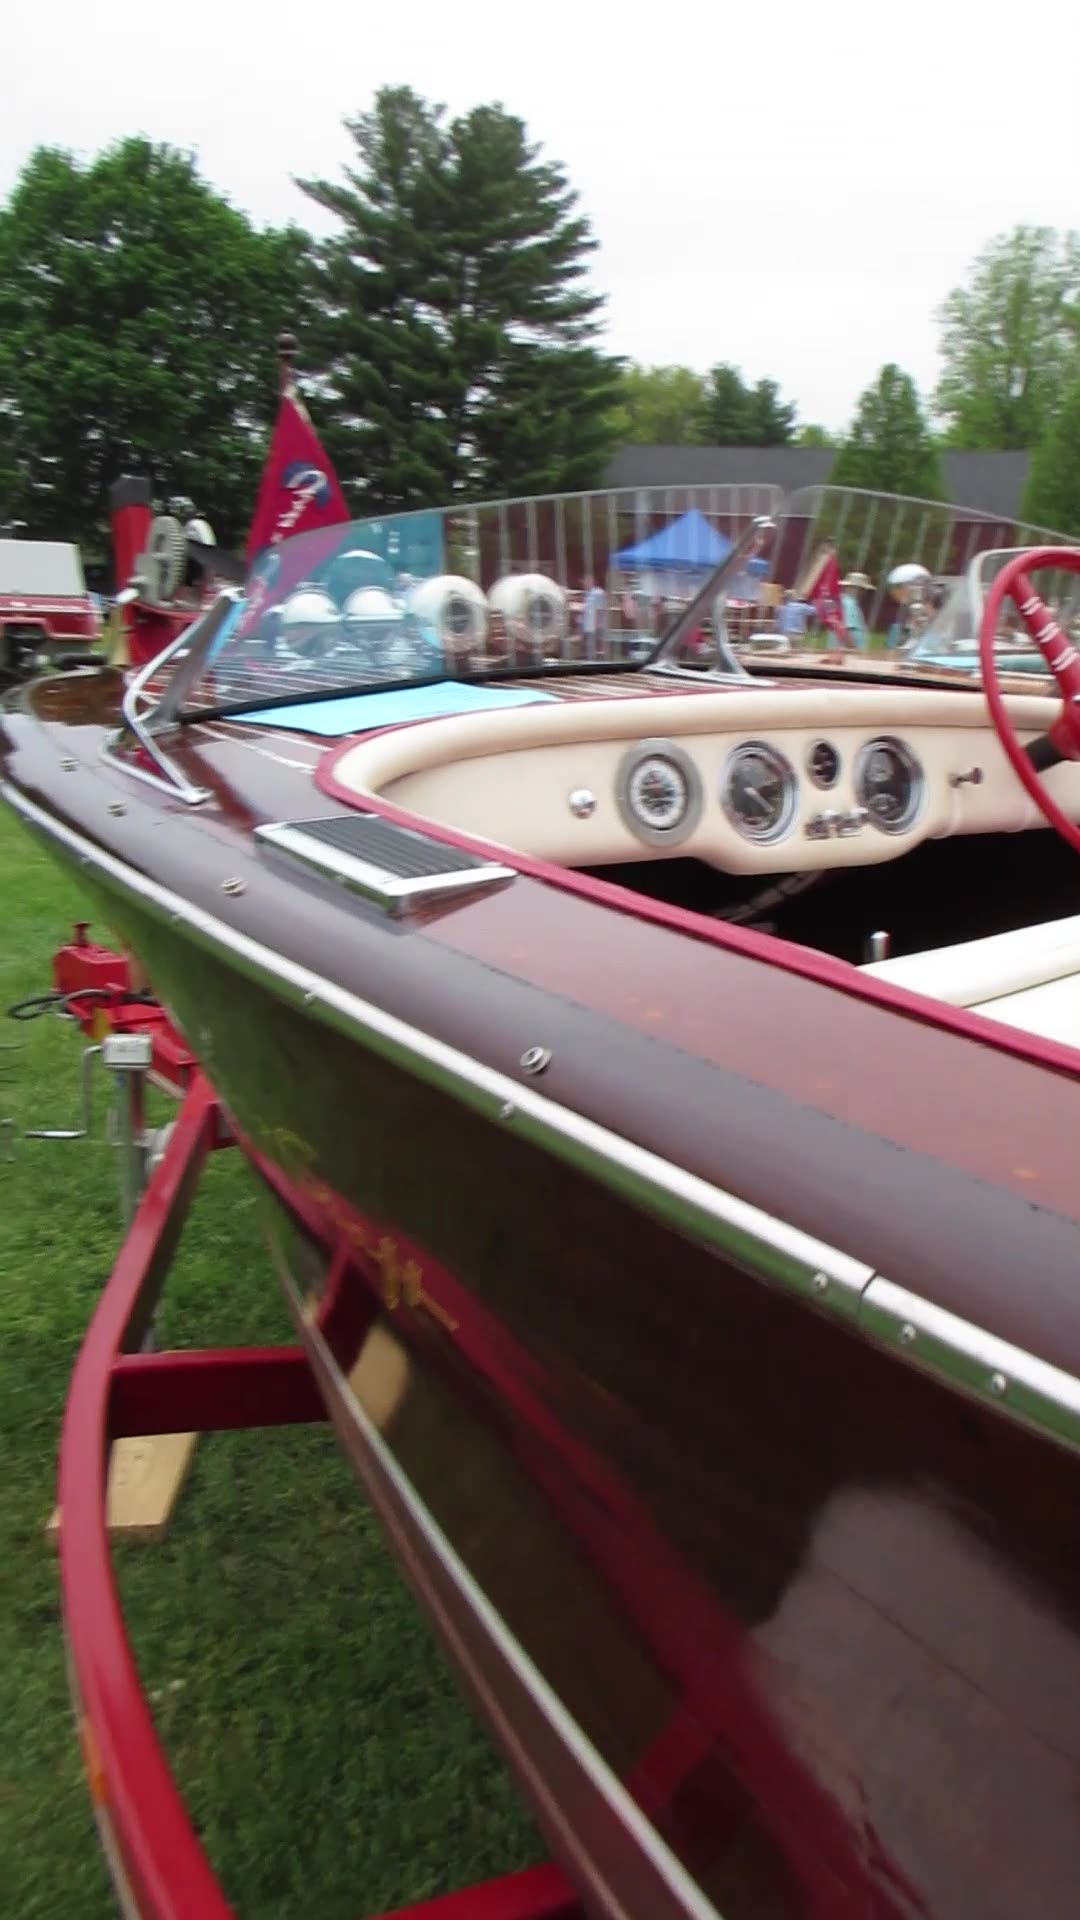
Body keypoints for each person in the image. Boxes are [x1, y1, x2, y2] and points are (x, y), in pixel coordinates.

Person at [581, 574, 607, 661]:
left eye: (586, 581)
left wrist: (597, 625)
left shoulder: (598, 593)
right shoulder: (587, 594)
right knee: (589, 649)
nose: (584, 583)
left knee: (595, 649)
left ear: (591, 581)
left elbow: (599, 610)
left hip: (594, 627)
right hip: (588, 627)